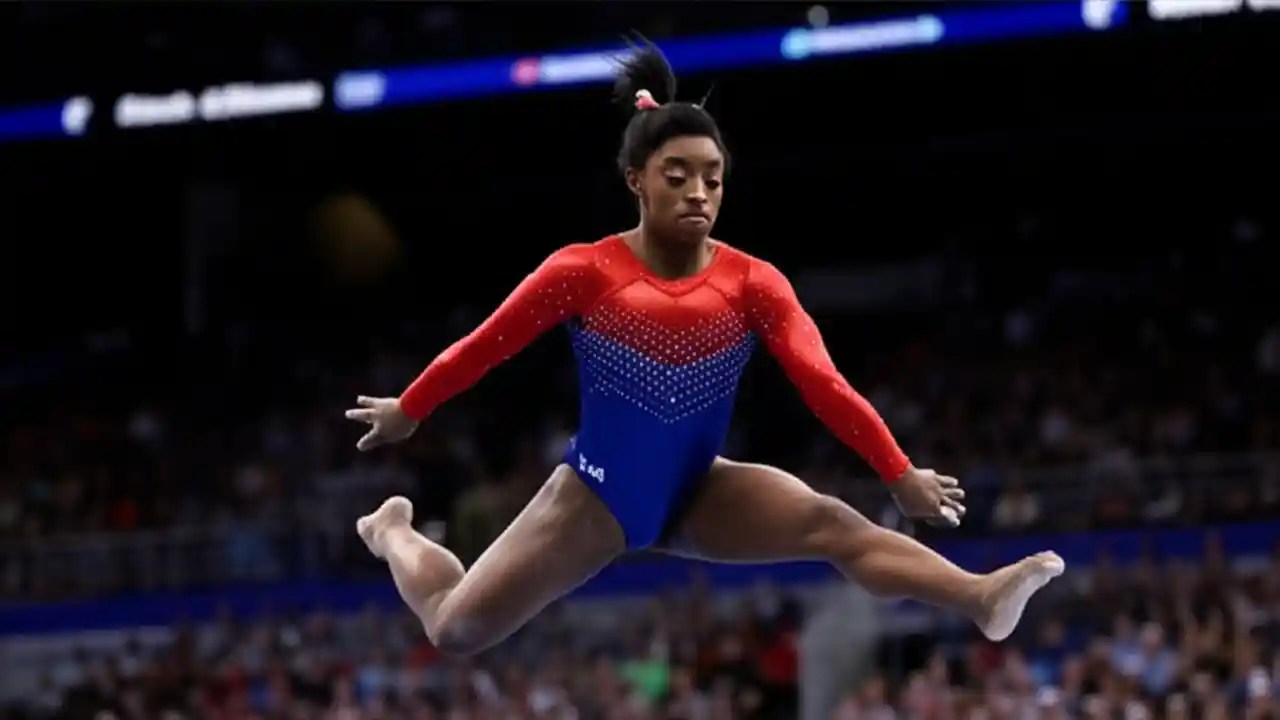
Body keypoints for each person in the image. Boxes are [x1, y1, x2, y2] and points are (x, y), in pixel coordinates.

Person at [344, 39, 1063, 656]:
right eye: (677, 176)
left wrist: (898, 470)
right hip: (596, 495)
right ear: (637, 181)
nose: (698, 193)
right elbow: (484, 346)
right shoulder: (583, 273)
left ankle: (980, 595)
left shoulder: (753, 282)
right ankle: (394, 530)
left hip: (698, 487)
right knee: (455, 628)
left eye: (713, 180)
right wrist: (411, 407)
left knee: (835, 524)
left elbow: (823, 382)